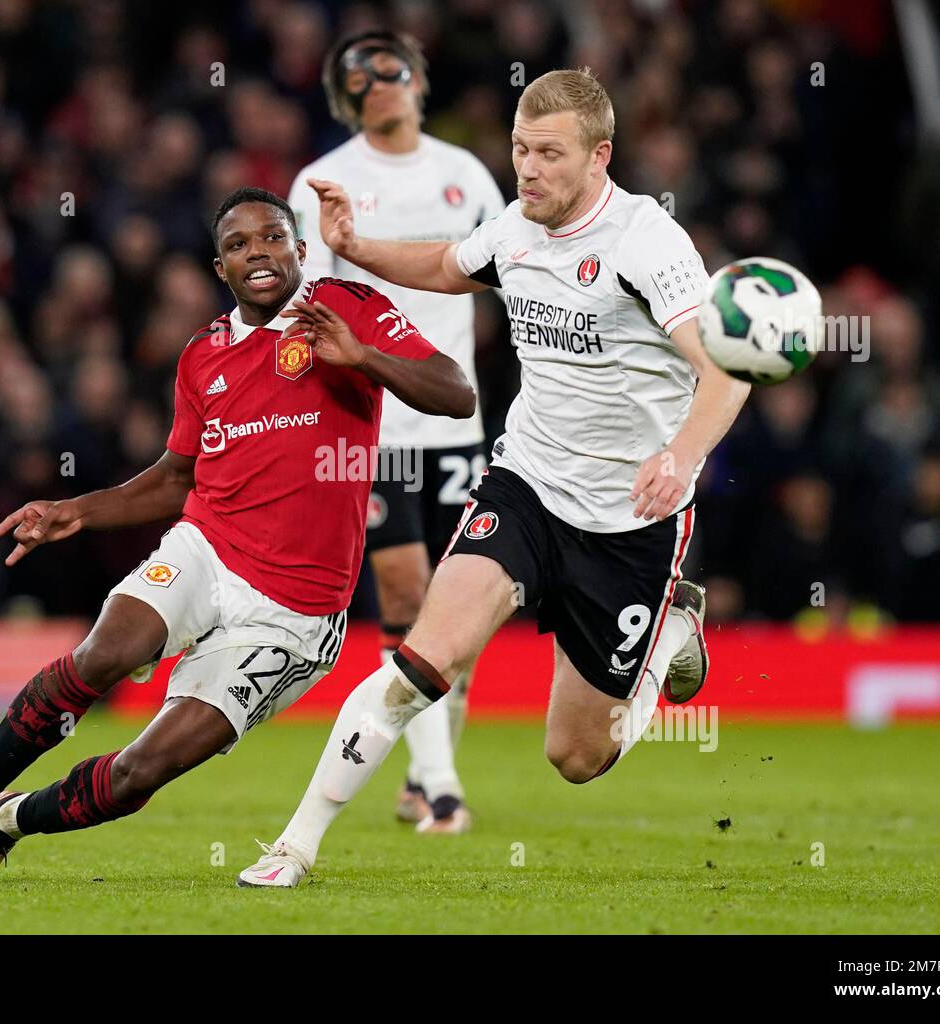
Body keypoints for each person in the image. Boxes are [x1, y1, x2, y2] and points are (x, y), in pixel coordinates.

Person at [237, 69, 751, 888]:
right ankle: (293, 846)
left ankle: (668, 639)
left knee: (576, 756)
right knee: (418, 663)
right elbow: (448, 263)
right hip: (524, 486)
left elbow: (726, 374)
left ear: (599, 158)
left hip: (629, 524)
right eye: (519, 148)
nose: (528, 168)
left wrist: (681, 456)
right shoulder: (517, 228)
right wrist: (356, 244)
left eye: (549, 153)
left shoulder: (646, 242)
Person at [0, 187, 475, 881]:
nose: (257, 251)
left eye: (272, 237)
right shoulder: (203, 356)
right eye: (237, 244)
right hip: (208, 551)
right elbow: (175, 479)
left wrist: (363, 360)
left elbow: (456, 391)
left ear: (300, 249)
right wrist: (78, 510)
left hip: (295, 611)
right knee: (106, 652)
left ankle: (8, 820)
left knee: (140, 772)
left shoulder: (347, 310)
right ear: (219, 269)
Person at [288, 29, 506, 833]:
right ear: (346, 97)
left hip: (455, 415)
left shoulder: (465, 174)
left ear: (419, 79)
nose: (381, 83)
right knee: (409, 596)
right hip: (372, 425)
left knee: (463, 613)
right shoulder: (328, 179)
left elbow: (513, 268)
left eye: (393, 70)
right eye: (362, 76)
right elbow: (306, 295)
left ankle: (423, 773)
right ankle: (443, 790)